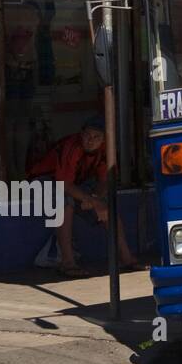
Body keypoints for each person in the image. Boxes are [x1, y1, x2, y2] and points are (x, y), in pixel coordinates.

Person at [28, 115, 138, 277]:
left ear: (104, 139)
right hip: (41, 181)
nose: (90, 140)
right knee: (65, 202)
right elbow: (63, 184)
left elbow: (106, 180)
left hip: (75, 184)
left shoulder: (106, 150)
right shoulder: (72, 146)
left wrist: (96, 198)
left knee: (108, 207)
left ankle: (127, 259)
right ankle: (67, 264)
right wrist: (90, 200)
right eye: (87, 135)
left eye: (96, 137)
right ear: (81, 134)